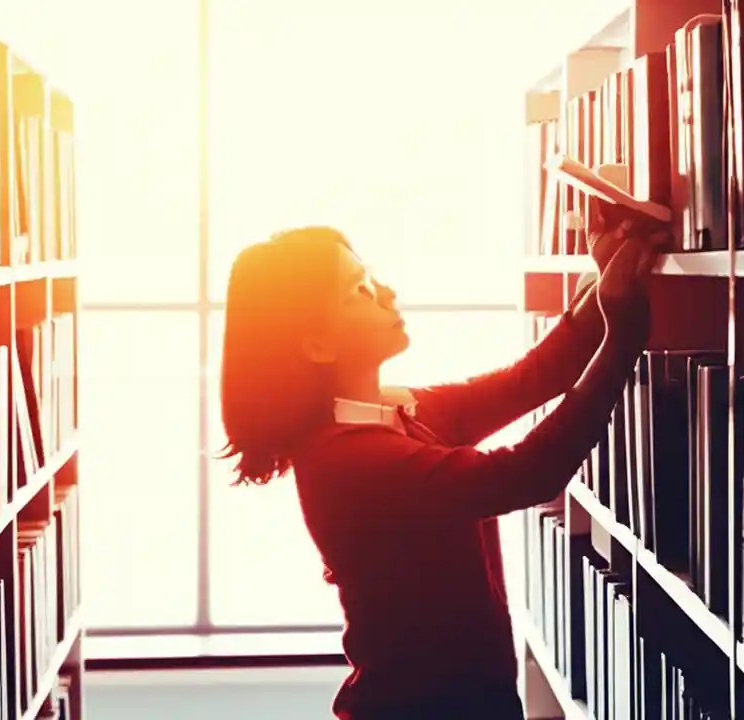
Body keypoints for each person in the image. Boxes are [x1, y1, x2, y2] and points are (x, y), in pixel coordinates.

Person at [218, 205, 666, 719]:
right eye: (360, 291)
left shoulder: (393, 411)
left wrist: (600, 275)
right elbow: (528, 472)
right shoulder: (348, 461)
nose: (386, 292)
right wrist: (621, 343)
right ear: (317, 344)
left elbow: (534, 377)